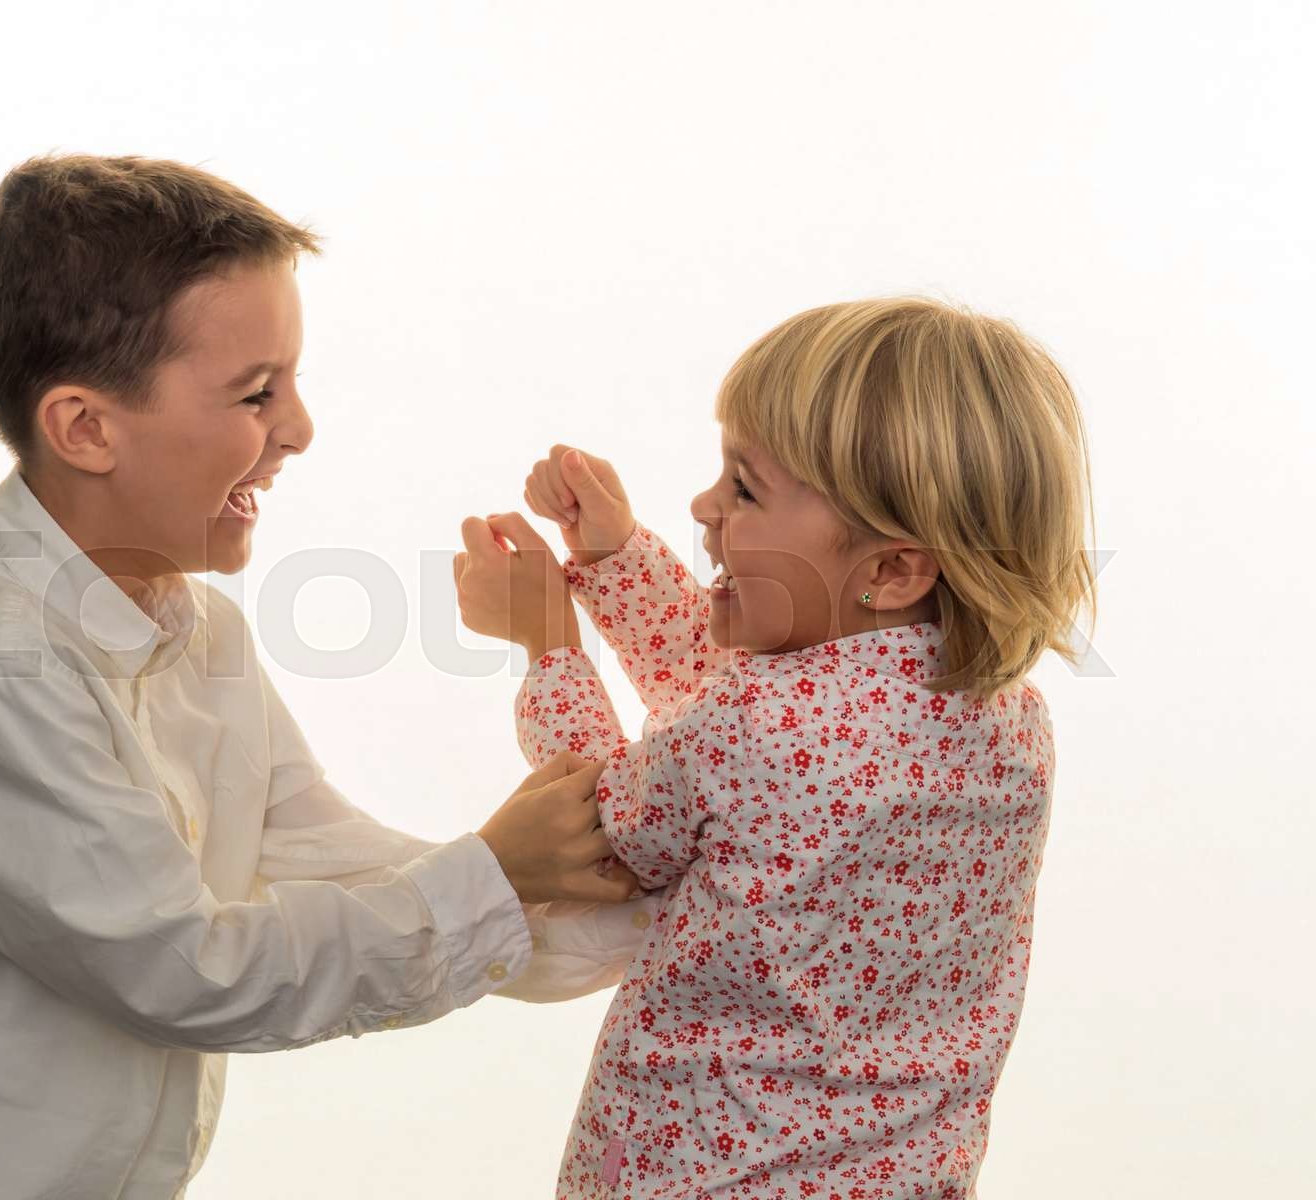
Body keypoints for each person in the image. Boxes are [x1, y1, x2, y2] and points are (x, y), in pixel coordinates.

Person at [0, 153, 656, 1200]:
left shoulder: (202, 639)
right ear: (86, 427)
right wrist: (498, 876)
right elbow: (185, 969)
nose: (300, 432)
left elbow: (333, 862)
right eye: (256, 393)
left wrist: (640, 918)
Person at [454, 298, 1096, 1197]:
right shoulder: (1011, 727)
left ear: (890, 570)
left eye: (744, 488)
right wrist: (615, 558)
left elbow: (593, 832)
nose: (703, 506)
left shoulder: (752, 727)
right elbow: (734, 722)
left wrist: (547, 641)